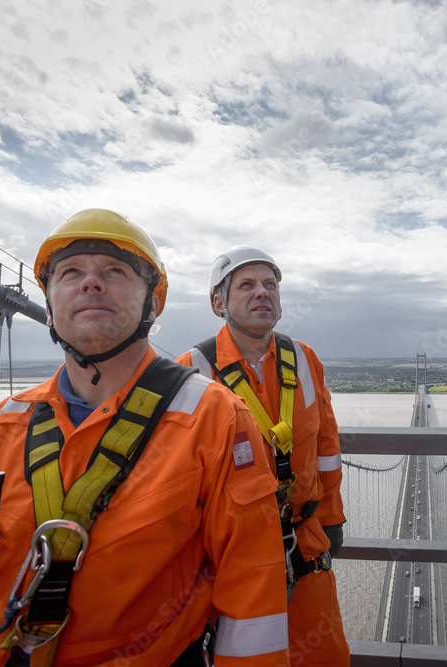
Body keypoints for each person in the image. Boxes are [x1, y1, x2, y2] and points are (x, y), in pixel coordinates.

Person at [0, 210, 290, 667]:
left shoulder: (213, 419)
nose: (91, 284)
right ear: (49, 303)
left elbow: (251, 589)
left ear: (152, 303)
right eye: (71, 272)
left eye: (114, 272)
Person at [176, 246, 349, 667]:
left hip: (305, 545)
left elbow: (326, 446)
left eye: (270, 285)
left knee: (326, 657)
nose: (262, 294)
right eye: (247, 285)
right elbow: (178, 479)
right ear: (219, 303)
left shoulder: (304, 360)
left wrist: (332, 517)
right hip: (233, 558)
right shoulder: (190, 371)